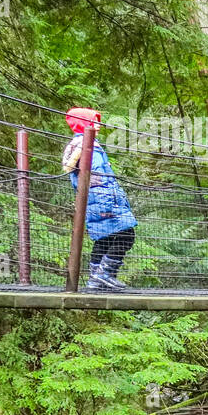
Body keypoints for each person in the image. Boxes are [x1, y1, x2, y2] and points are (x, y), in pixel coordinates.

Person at [62, 108, 137, 291]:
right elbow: (98, 178)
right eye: (94, 122)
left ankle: (95, 279)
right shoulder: (88, 147)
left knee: (104, 238)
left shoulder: (82, 145)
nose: (98, 125)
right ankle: (103, 275)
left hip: (93, 201)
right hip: (104, 200)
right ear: (84, 124)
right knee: (127, 235)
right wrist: (110, 203)